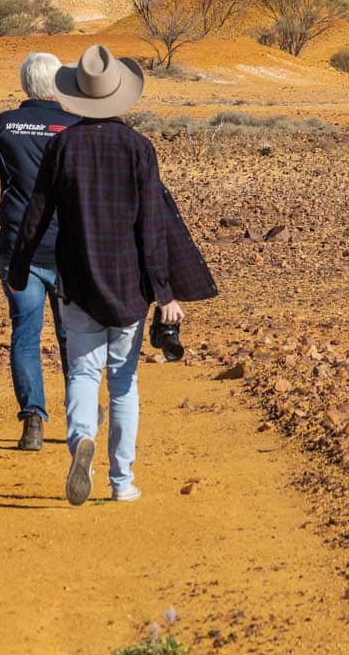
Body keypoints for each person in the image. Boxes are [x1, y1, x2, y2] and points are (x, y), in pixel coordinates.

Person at [12, 44, 217, 505]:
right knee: (123, 382)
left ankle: (81, 438)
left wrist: (21, 267)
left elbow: (37, 213)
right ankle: (121, 481)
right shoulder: (139, 149)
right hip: (128, 284)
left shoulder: (63, 145)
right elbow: (152, 225)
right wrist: (165, 292)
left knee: (83, 372)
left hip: (78, 282)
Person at [0, 52, 73, 451]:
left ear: (24, 83)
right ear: (60, 83)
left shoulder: (2, 126)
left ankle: (33, 419)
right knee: (73, 335)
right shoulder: (77, 125)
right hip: (70, 251)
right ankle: (81, 413)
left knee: (25, 334)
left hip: (18, 249)